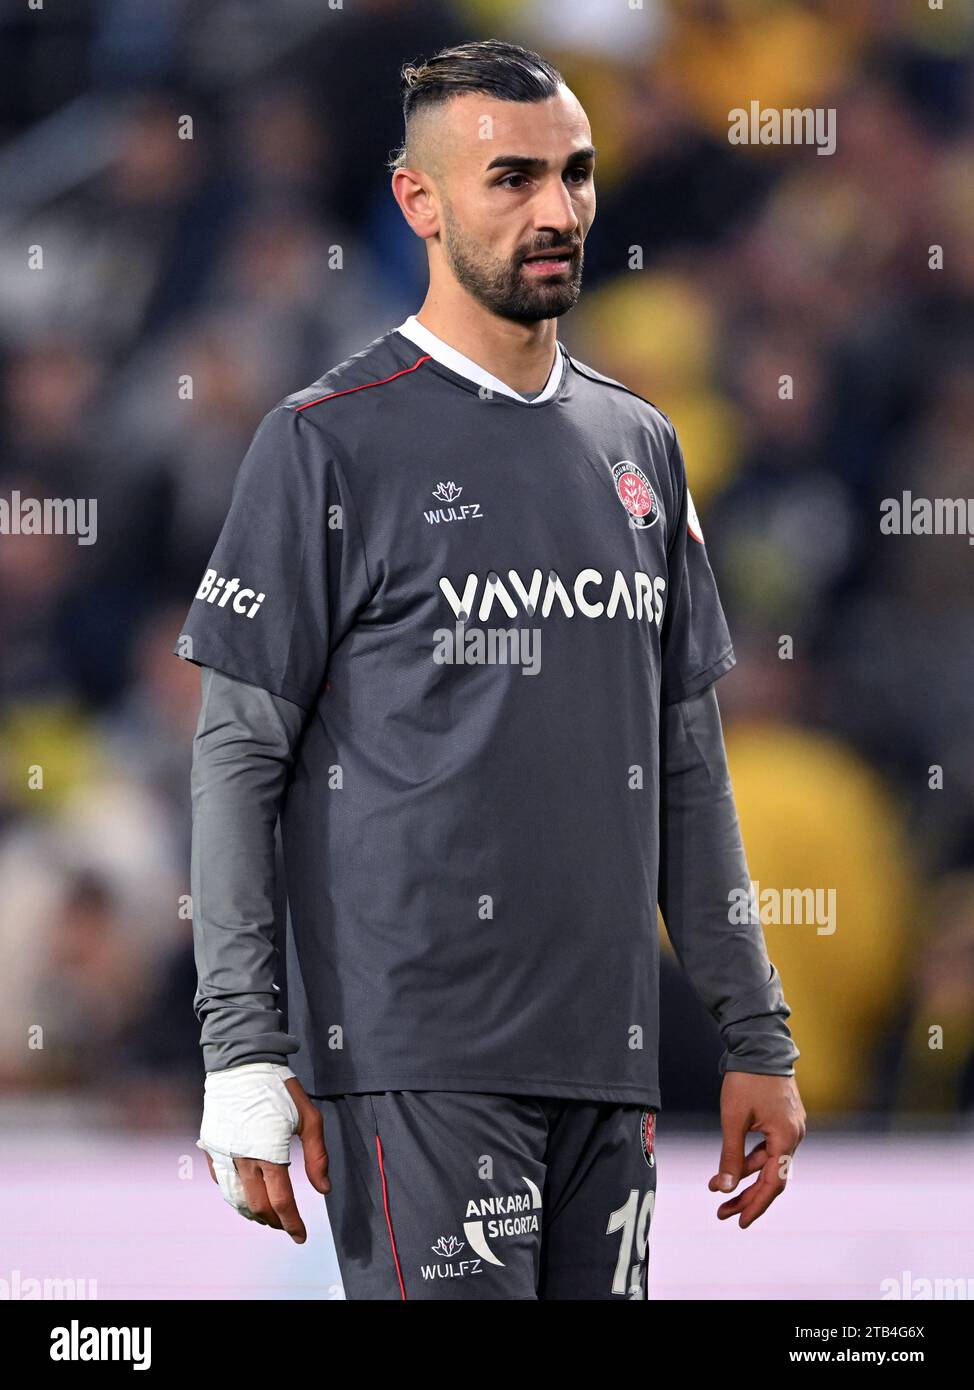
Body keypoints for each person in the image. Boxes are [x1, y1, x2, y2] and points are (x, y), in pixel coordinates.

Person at [174, 39, 805, 1301]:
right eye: (510, 178)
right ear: (418, 202)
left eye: (573, 175)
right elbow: (238, 758)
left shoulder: (641, 445)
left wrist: (753, 1030)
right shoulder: (324, 443)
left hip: (609, 1063)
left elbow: (685, 759)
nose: (556, 210)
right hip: (417, 1062)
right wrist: (243, 1047)